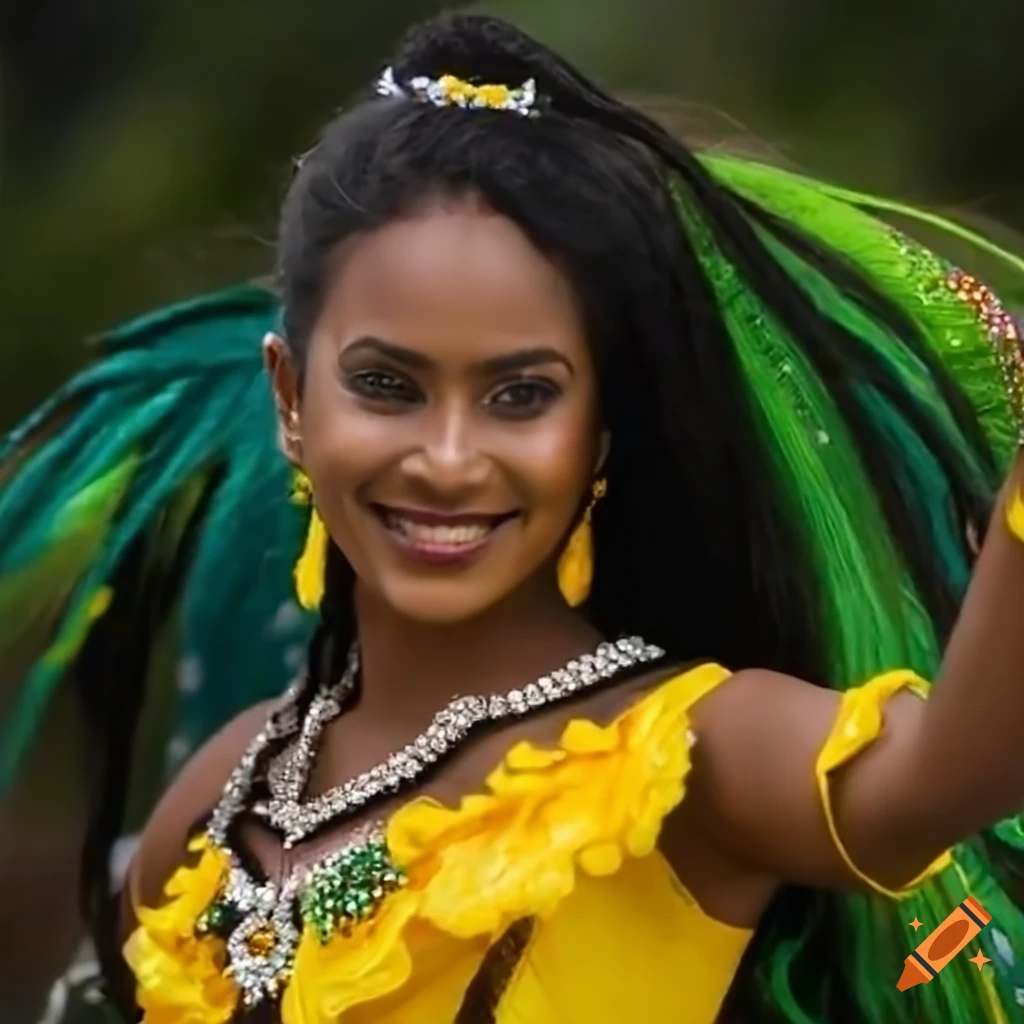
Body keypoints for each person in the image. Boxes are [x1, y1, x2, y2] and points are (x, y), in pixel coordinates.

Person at [3, 12, 1024, 1024]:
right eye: (386, 385)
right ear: (291, 400)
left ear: (602, 429)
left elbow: (946, 776)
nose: (447, 460)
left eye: (520, 395)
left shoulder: (682, 755)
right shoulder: (224, 793)